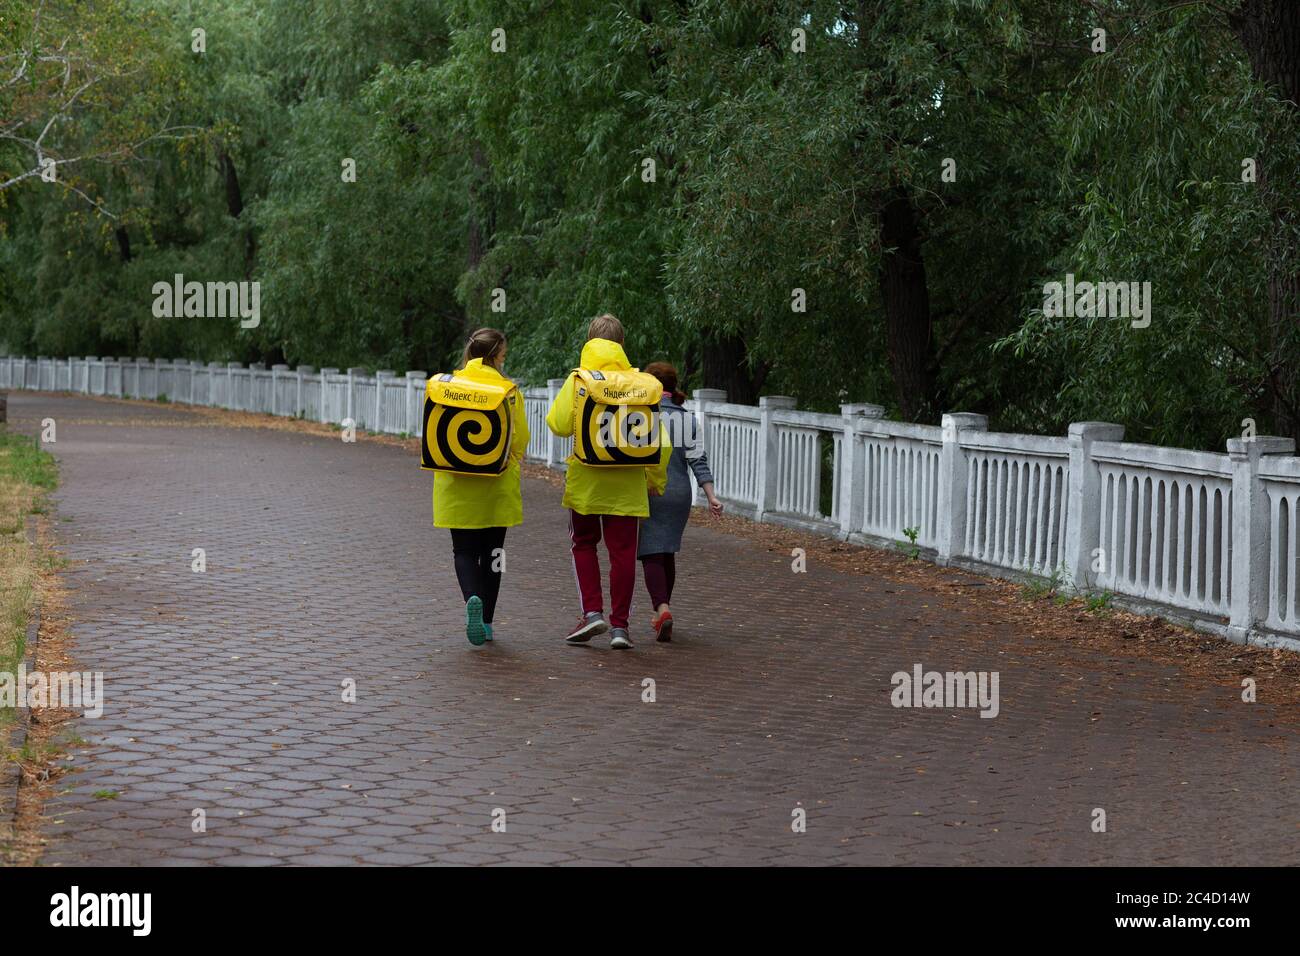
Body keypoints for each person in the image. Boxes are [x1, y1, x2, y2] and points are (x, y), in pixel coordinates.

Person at [545, 314, 669, 650]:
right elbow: (662, 442)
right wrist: (655, 479)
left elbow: (557, 424)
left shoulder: (581, 379)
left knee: (583, 544)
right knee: (623, 554)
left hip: (586, 481)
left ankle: (591, 612)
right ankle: (619, 627)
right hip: (628, 486)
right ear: (622, 345)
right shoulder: (641, 383)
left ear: (588, 341)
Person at [432, 328, 529, 646]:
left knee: (463, 551)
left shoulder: (444, 387)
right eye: (503, 354)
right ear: (495, 356)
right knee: (493, 554)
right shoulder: (508, 391)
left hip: (456, 484)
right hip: (496, 486)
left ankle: (471, 598)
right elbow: (520, 441)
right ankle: (486, 622)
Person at [636, 362, 723, 641]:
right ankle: (663, 611)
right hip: (680, 494)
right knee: (667, 551)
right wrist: (711, 496)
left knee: (651, 551)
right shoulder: (688, 419)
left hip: (649, 490)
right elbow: (698, 461)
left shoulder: (644, 416)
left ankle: (661, 608)